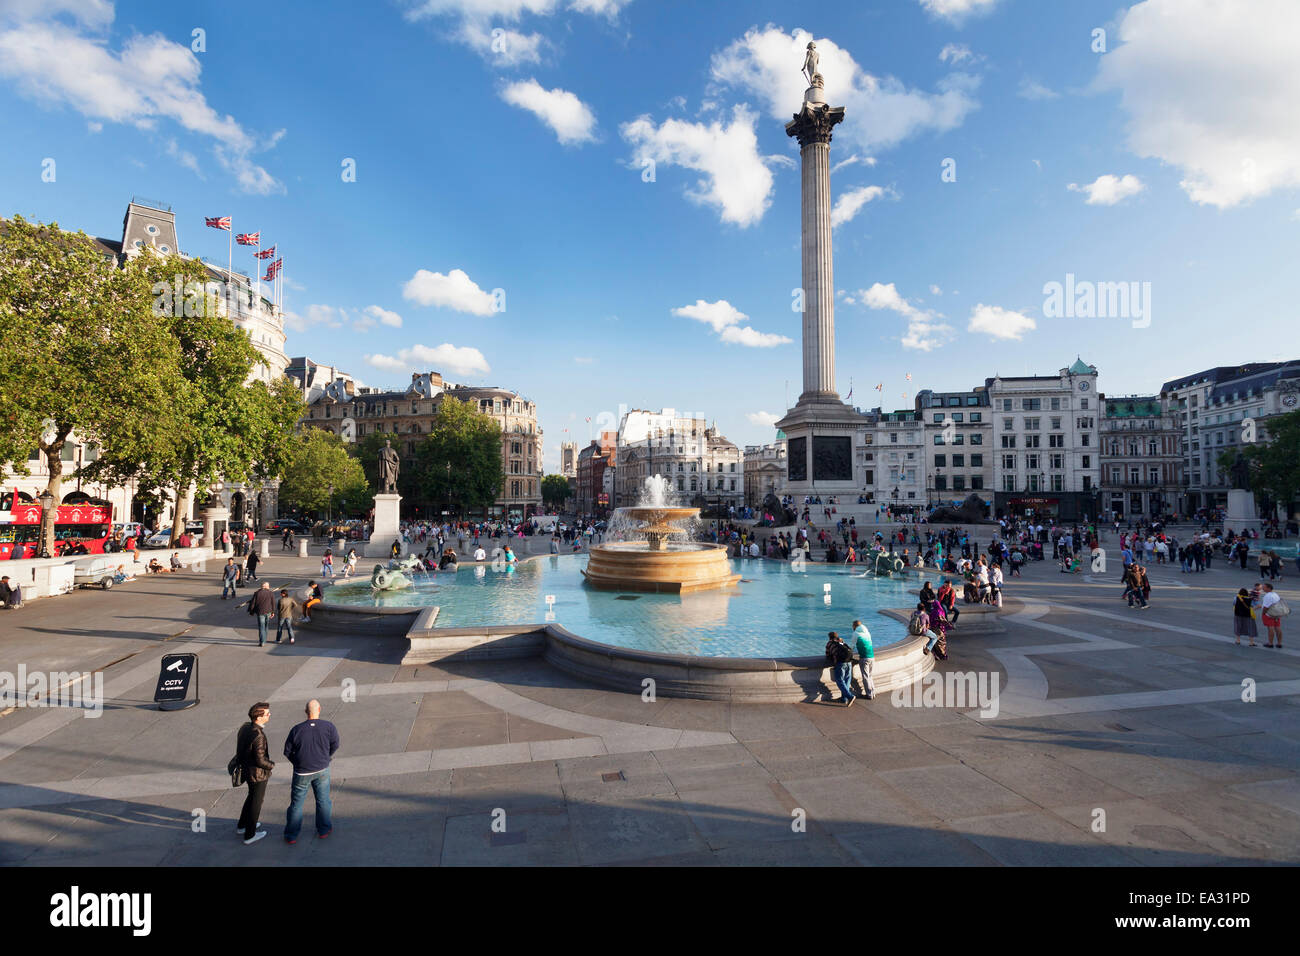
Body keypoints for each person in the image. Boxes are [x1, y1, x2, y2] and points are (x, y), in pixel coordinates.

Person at [282, 699, 340, 844]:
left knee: (296, 804)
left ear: (305, 711)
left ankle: (291, 835)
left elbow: (287, 752)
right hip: (322, 769)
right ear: (319, 709)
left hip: (302, 773)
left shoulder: (296, 729)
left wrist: (297, 763)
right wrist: (326, 757)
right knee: (323, 800)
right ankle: (324, 829)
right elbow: (335, 744)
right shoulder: (328, 726)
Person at [235, 702, 274, 845]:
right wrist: (271, 765)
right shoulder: (259, 736)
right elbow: (260, 760)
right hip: (258, 774)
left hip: (247, 770)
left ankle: (242, 825)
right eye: (267, 714)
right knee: (256, 803)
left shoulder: (246, 728)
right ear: (258, 717)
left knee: (251, 798)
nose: (269, 715)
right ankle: (250, 834)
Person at [824, 631, 855, 706]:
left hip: (840, 663)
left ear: (829, 637)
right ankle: (844, 698)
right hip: (849, 662)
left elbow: (827, 655)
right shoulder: (841, 641)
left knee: (839, 680)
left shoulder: (829, 643)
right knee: (847, 680)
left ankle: (850, 696)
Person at [247, 581, 276, 646]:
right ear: (266, 586)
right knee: (266, 626)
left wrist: (251, 612)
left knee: (261, 627)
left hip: (260, 612)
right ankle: (264, 639)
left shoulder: (257, 593)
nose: (269, 587)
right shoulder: (270, 593)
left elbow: (253, 603)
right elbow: (273, 603)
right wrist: (273, 612)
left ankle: (262, 641)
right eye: (268, 586)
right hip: (268, 611)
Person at [852, 619, 875, 700]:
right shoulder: (867, 633)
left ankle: (869, 694)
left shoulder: (856, 633)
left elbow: (852, 646)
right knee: (870, 676)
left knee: (865, 677)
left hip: (864, 657)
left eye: (852, 626)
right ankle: (873, 693)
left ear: (854, 626)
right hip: (871, 656)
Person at [1259, 582, 1285, 648]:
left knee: (1270, 628)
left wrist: (1263, 613)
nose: (1262, 588)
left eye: (1264, 587)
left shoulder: (1267, 596)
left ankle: (1270, 643)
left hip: (1269, 614)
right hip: (1277, 613)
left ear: (1268, 588)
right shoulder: (1275, 594)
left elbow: (1266, 607)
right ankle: (1279, 643)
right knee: (1278, 627)